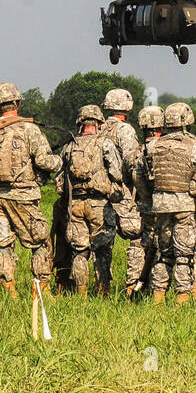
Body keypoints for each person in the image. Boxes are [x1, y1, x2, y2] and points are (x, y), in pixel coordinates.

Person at [0, 82, 62, 299]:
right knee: (41, 243)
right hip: (24, 196)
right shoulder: (29, 129)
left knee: (3, 245)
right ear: (17, 102)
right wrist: (60, 162)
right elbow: (44, 161)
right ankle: (41, 291)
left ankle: (9, 292)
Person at [145, 103, 196, 305]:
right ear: (188, 121)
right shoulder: (195, 148)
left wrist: (148, 198)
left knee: (163, 253)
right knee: (184, 254)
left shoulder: (152, 146)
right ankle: (182, 297)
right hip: (185, 206)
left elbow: (139, 175)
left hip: (160, 206)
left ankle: (157, 297)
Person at [58, 105, 123, 297]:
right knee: (102, 250)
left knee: (80, 251)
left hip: (75, 204)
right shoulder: (105, 144)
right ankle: (104, 291)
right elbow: (117, 173)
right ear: (100, 122)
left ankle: (81, 293)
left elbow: (60, 180)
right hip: (99, 205)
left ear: (80, 123)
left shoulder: (69, 146)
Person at [99, 88, 145, 297]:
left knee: (103, 242)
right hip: (122, 193)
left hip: (99, 194)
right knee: (137, 237)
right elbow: (131, 161)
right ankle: (132, 286)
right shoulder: (125, 130)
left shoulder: (98, 128)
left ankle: (103, 287)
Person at [133, 105, 165, 297]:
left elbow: (134, 177)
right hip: (170, 205)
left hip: (147, 207)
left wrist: (145, 199)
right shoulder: (168, 147)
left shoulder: (139, 150)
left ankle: (139, 285)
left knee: (145, 245)